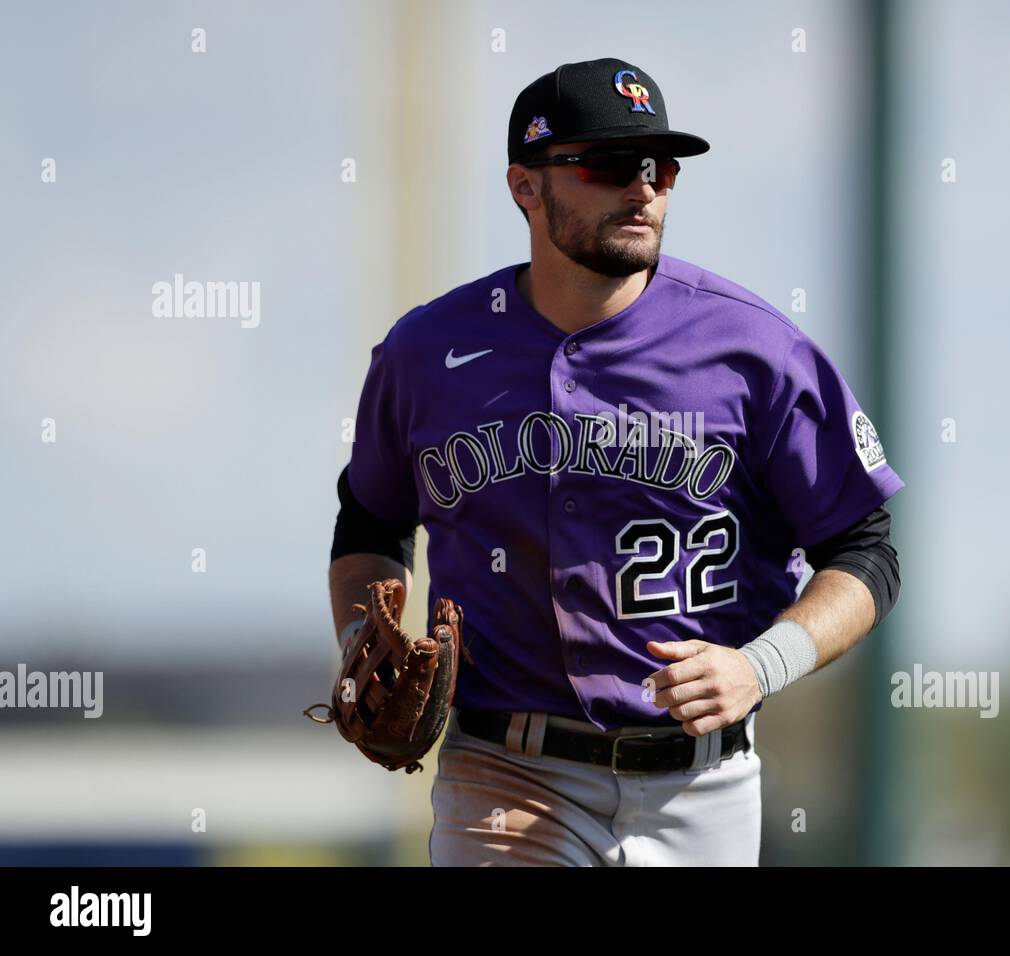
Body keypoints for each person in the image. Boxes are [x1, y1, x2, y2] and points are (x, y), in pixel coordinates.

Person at [328, 57, 905, 866]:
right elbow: (369, 518)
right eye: (606, 165)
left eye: (658, 167)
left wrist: (759, 666)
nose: (642, 189)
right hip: (506, 770)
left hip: (705, 784)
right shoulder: (429, 352)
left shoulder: (756, 351)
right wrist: (362, 635)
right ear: (526, 187)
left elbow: (865, 552)